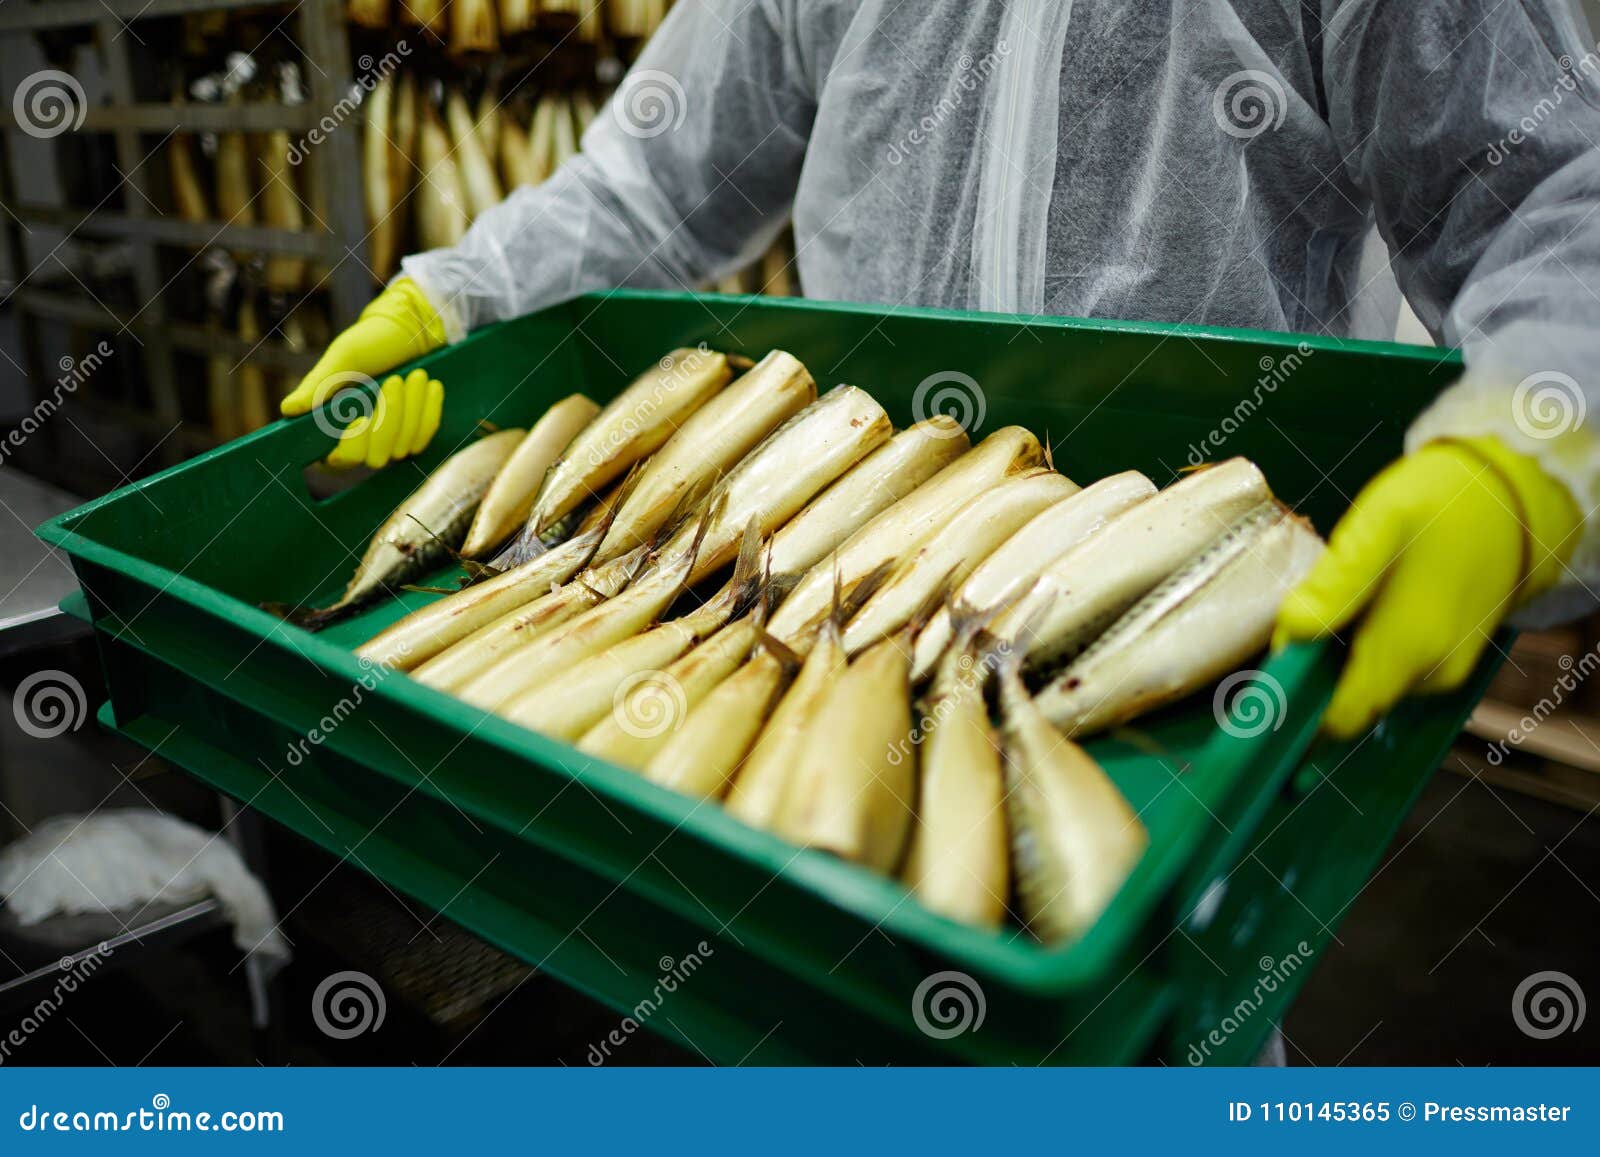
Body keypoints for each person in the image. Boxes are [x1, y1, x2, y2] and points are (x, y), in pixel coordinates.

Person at [282, 1, 1597, 739]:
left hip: (1196, 603)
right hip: (828, 548)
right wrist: (467, 294)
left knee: (1137, 1032)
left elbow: (1556, 204)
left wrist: (1525, 454)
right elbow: (659, 181)